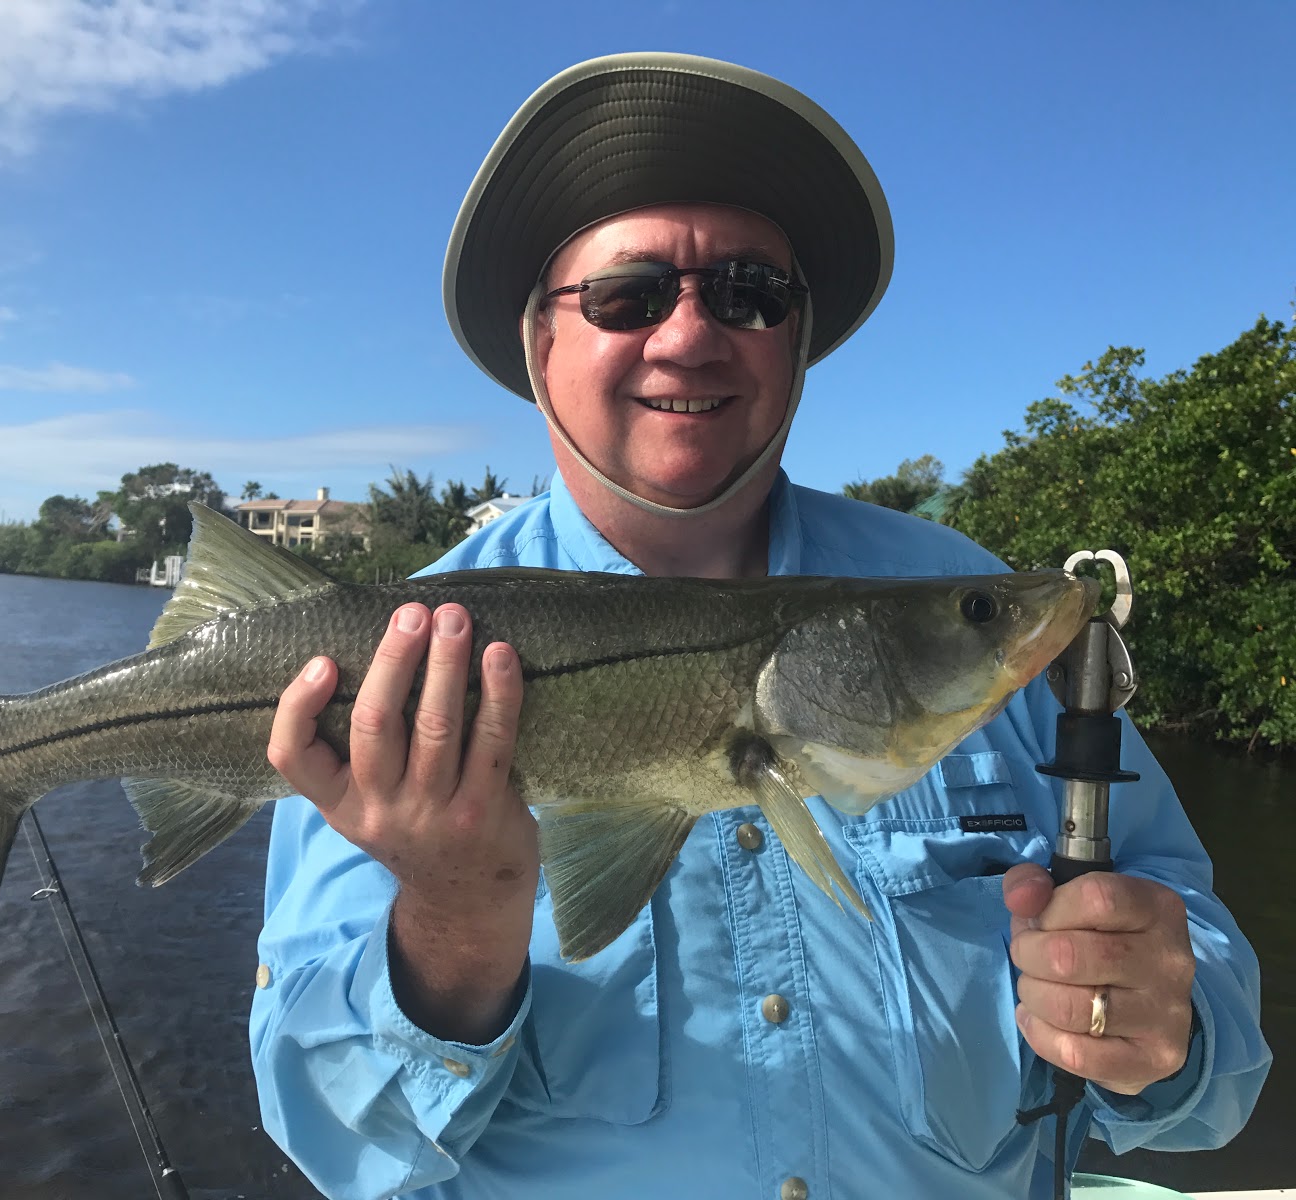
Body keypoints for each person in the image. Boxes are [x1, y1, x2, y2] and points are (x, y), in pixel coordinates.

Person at [248, 53, 1270, 1199]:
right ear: (540, 344)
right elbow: (330, 1135)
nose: (689, 336)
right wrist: (451, 927)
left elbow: (1207, 1019)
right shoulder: (398, 656)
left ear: (795, 337)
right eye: (628, 295)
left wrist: (1160, 1021)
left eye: (747, 292)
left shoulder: (965, 603)